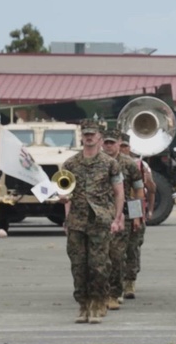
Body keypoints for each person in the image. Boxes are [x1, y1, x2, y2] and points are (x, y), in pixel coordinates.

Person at [59, 119, 125, 324]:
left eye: (92, 134)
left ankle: (98, 302)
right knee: (78, 265)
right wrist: (65, 209)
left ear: (99, 138)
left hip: (100, 220)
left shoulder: (110, 164)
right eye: (86, 134)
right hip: (77, 221)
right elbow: (65, 192)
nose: (89, 137)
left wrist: (117, 218)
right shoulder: (70, 164)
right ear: (82, 137)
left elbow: (119, 193)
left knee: (99, 265)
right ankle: (83, 304)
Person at [101, 128, 144, 310]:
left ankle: (116, 290)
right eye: (106, 142)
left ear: (119, 143)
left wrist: (136, 216)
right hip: (100, 215)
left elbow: (137, 191)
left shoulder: (129, 164)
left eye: (112, 142)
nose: (109, 146)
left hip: (122, 215)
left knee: (117, 255)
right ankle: (103, 289)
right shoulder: (96, 162)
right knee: (100, 255)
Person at [120, 134, 156, 299]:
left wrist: (140, 215)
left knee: (132, 248)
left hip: (132, 209)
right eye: (120, 146)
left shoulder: (138, 165)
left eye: (125, 146)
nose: (122, 149)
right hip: (112, 213)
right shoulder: (106, 164)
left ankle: (129, 281)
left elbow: (141, 192)